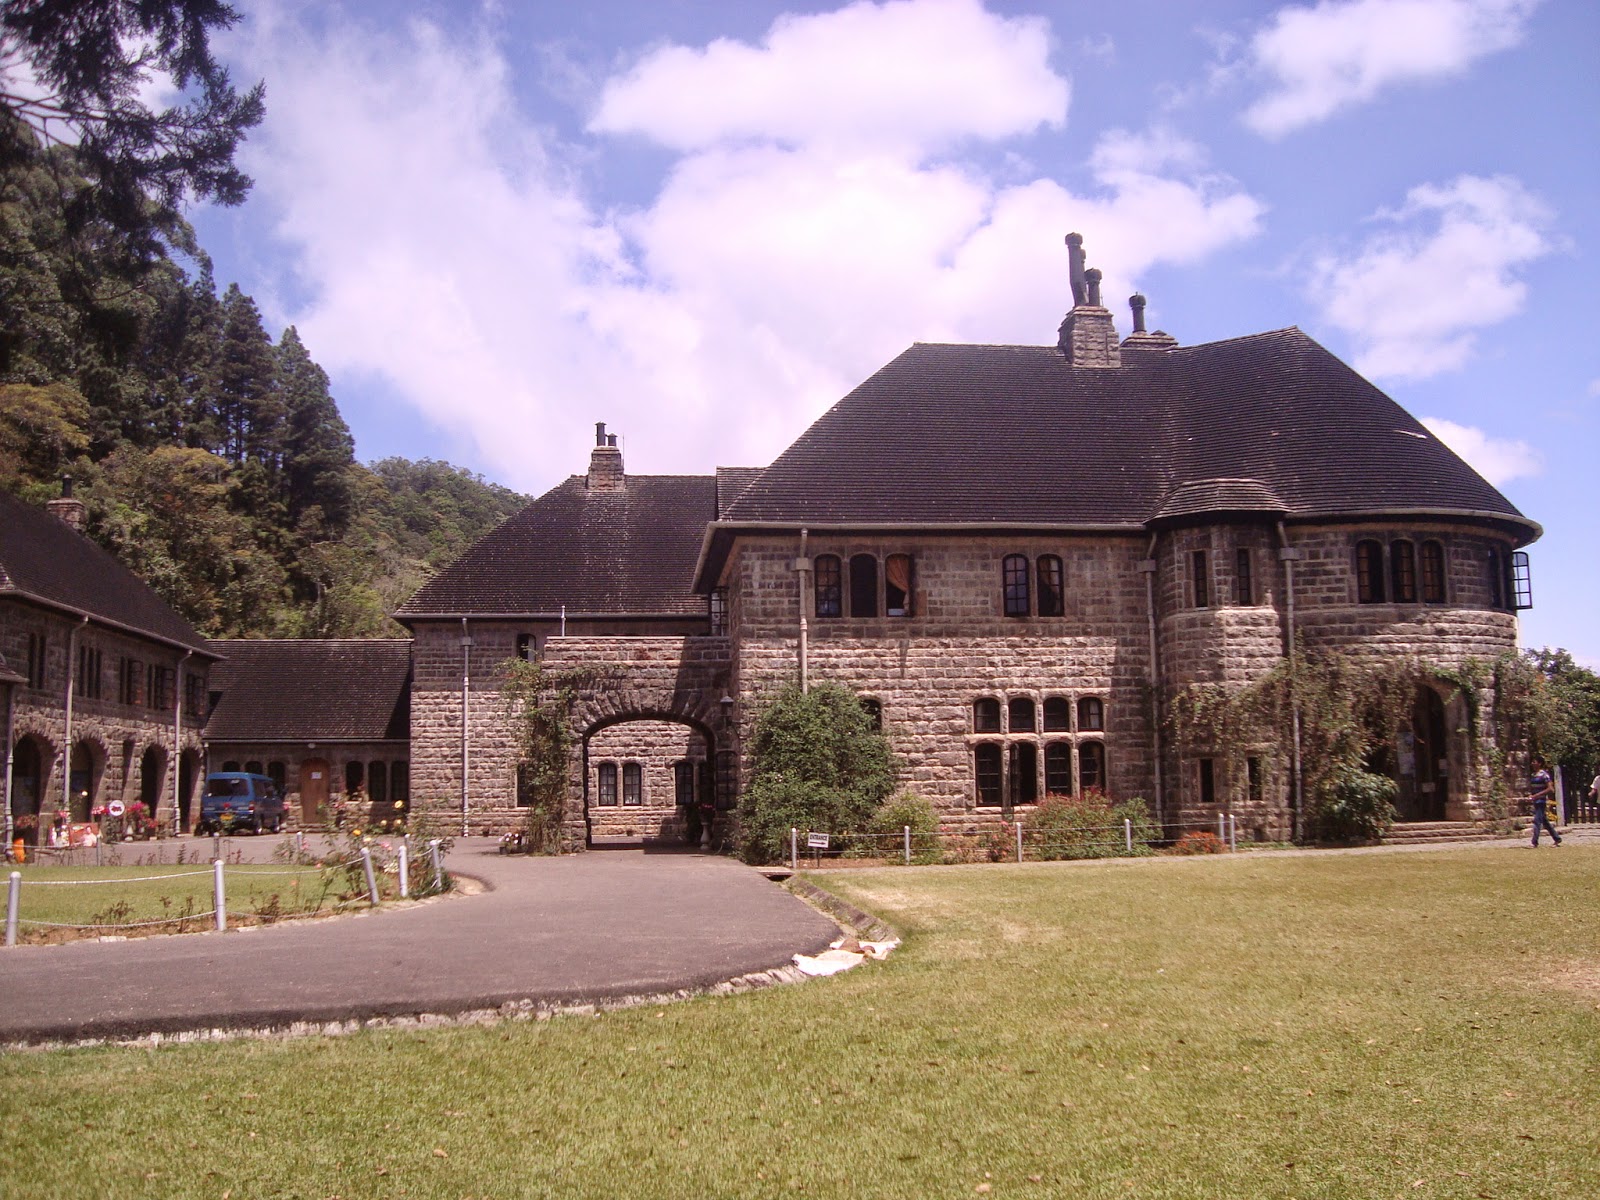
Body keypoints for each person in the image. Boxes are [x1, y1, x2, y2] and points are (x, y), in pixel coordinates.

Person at [1528, 757, 1562, 847]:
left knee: (1537, 821)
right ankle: (1557, 838)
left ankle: (1534, 842)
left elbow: (1550, 789)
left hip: (1541, 801)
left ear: (1539, 763)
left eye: (1534, 761)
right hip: (1536, 801)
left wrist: (1536, 795)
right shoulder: (1533, 775)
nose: (1532, 763)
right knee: (1544, 821)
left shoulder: (1544, 775)